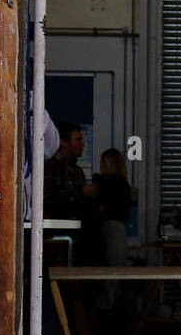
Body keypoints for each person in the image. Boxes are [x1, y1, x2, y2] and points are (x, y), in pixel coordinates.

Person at [44, 122, 102, 265]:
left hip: (79, 236)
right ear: (64, 142)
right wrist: (81, 192)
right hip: (61, 238)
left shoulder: (77, 170)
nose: (83, 144)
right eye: (78, 140)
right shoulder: (52, 167)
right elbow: (49, 199)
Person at [92, 148, 132, 311]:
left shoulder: (106, 184)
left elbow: (99, 208)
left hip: (109, 231)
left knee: (107, 274)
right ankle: (114, 309)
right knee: (114, 274)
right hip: (119, 230)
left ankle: (106, 310)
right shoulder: (124, 184)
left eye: (102, 162)